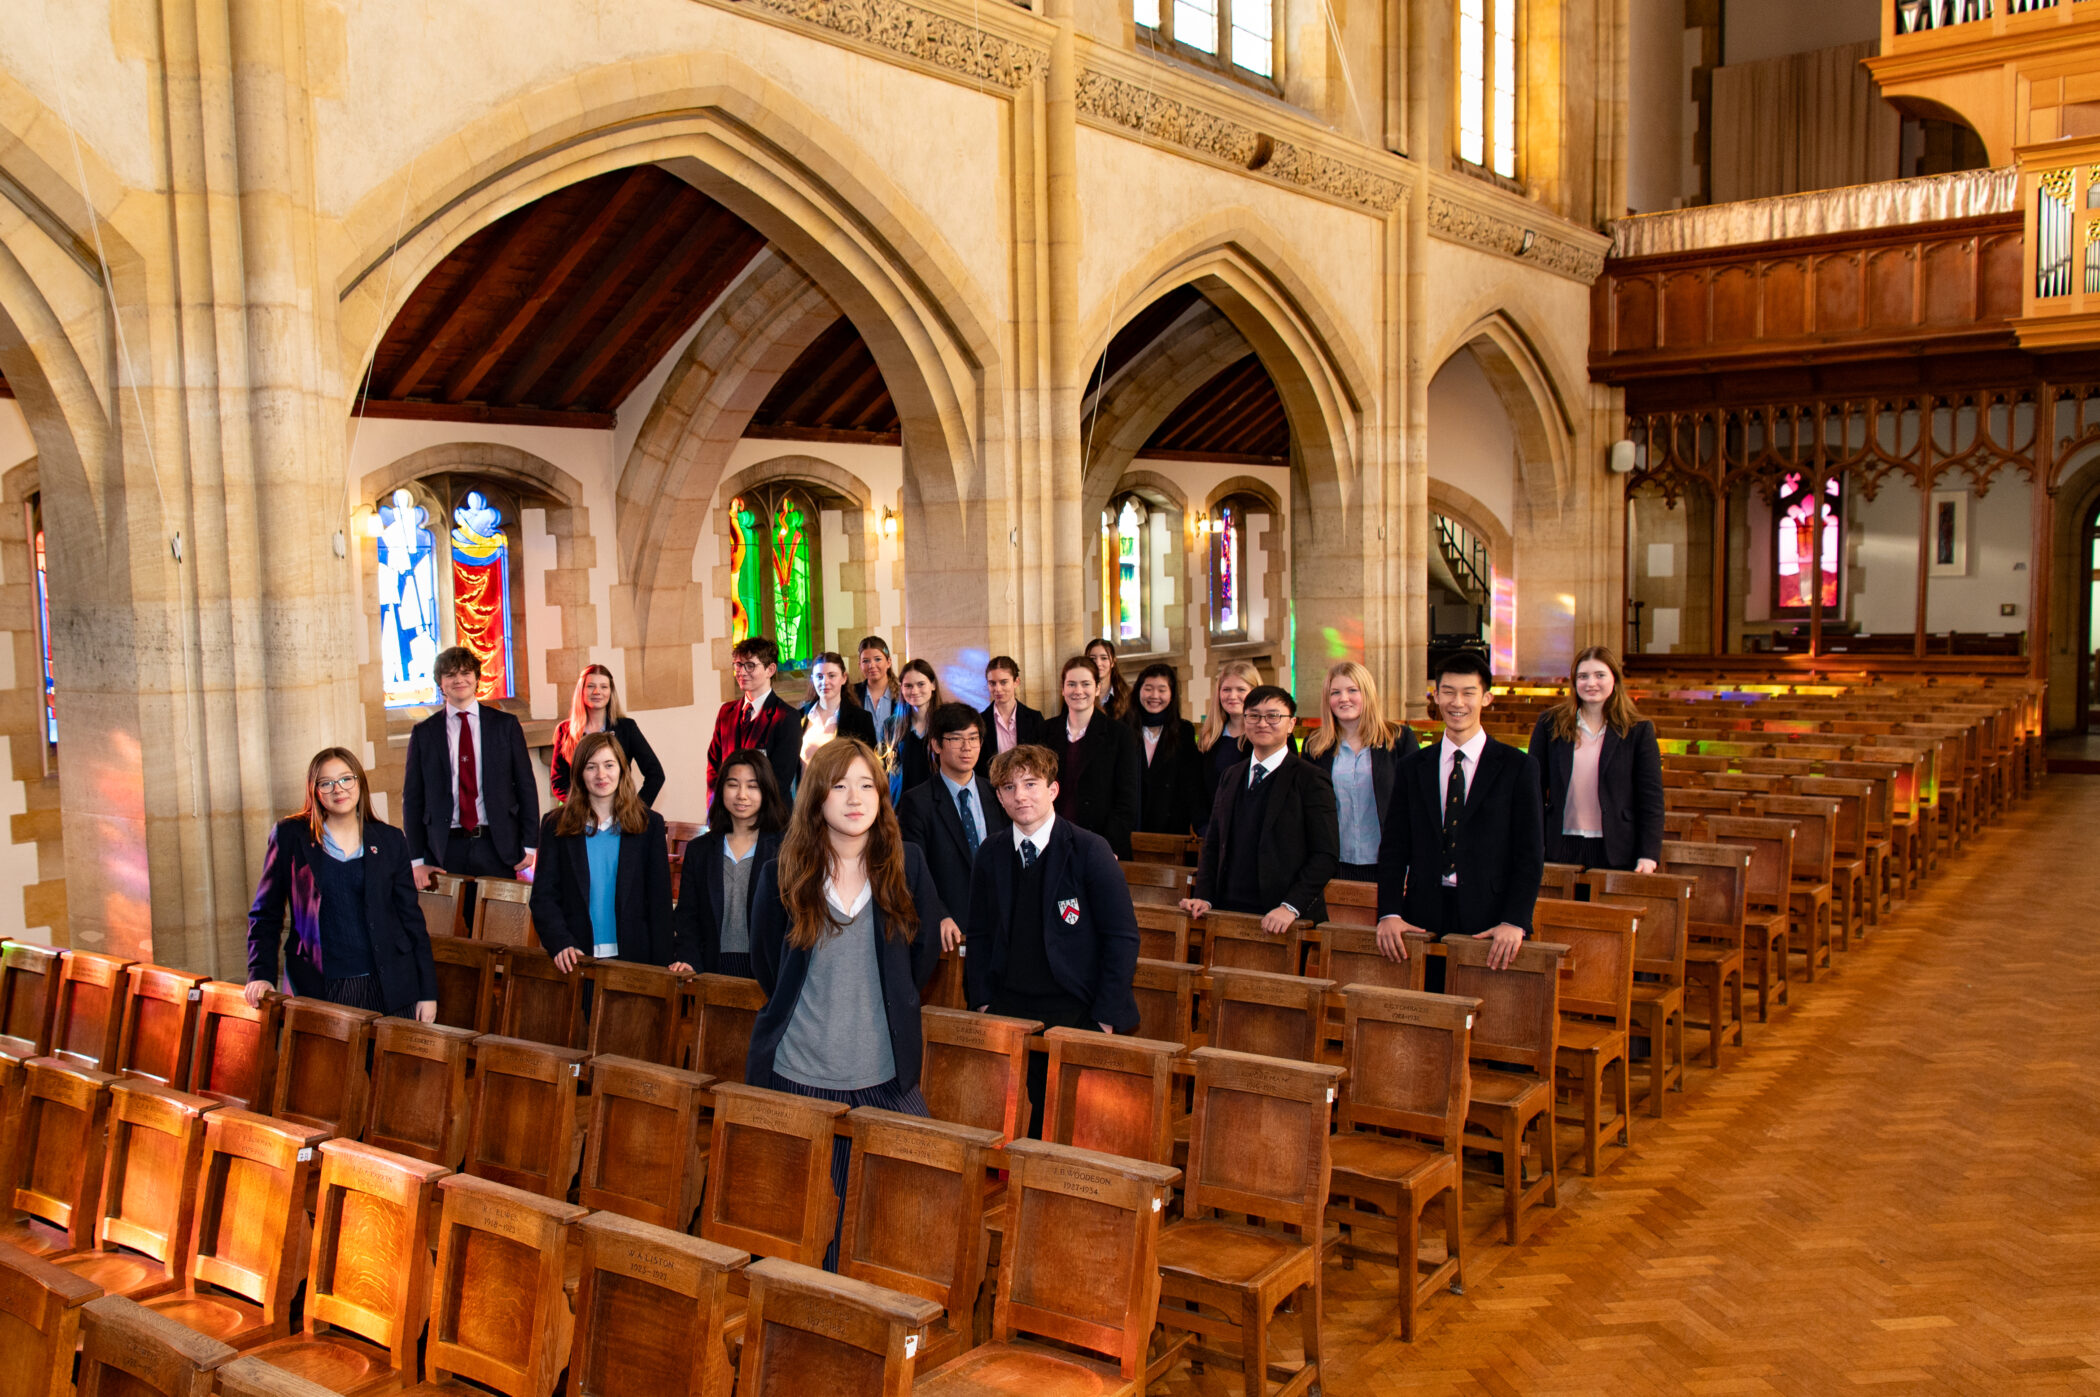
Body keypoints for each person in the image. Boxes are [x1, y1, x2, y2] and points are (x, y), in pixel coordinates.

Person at [746, 738, 947, 1263]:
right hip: (799, 1075)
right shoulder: (780, 871)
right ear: (816, 796)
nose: (855, 799)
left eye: (866, 786)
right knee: (806, 1232)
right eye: (839, 786)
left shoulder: (907, 865)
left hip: (882, 1075)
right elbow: (768, 964)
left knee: (893, 1225)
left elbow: (922, 956)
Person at [965, 744, 1142, 1137]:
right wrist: (983, 1001)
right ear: (999, 797)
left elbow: (1121, 937)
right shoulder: (990, 853)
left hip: (1075, 1008)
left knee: (1064, 1129)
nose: (1020, 795)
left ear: (1053, 790)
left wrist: (1104, 1019)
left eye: (1031, 784)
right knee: (998, 1123)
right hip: (1007, 1008)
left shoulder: (1090, 849)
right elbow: (978, 935)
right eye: (1009, 787)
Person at [1374, 651, 1544, 982]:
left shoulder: (1518, 766)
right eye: (1448, 692)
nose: (1458, 702)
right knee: (1423, 1005)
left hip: (1490, 918)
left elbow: (1530, 853)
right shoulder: (1412, 767)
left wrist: (1515, 920)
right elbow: (1394, 847)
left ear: (1486, 698)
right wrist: (1389, 912)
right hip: (1421, 916)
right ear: (1435, 696)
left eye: (1469, 693)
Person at [246, 747, 437, 1019]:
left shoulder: (390, 839)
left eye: (346, 779)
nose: (339, 789)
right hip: (321, 986)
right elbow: (265, 914)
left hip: (391, 985)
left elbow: (412, 921)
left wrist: (428, 992)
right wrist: (260, 973)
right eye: (327, 783)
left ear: (360, 782)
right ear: (314, 790)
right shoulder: (290, 836)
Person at [1181, 685, 1339, 929]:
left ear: (1291, 724)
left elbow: (1325, 854)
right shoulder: (1231, 775)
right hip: (1228, 911)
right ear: (1245, 721)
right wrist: (1205, 896)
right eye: (1254, 716)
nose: (1262, 723)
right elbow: (1213, 843)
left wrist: (1290, 907)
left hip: (1284, 917)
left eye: (1273, 716)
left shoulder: (1310, 779)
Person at [529, 731, 678, 972]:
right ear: (579, 773)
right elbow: (543, 897)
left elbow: (659, 902)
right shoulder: (555, 825)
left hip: (634, 957)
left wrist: (662, 968)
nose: (601, 775)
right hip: (576, 957)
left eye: (609, 765)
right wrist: (560, 942)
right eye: (591, 767)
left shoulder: (649, 825)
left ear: (622, 769)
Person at [403, 647, 538, 893]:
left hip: (496, 844)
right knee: (451, 917)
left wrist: (530, 844)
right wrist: (417, 860)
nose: (459, 680)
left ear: (476, 678)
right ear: (440, 683)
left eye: (465, 673)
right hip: (445, 847)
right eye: (450, 674)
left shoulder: (505, 726)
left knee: (499, 916)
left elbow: (526, 786)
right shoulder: (424, 733)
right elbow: (413, 799)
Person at [1527, 646, 1665, 873]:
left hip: (1616, 847)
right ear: (1574, 682)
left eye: (1600, 675)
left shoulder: (1638, 730)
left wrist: (1648, 854)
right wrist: (1529, 844)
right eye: (1583, 676)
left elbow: (1651, 799)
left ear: (1614, 679)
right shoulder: (1550, 723)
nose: (1591, 683)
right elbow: (1532, 790)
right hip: (1558, 845)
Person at [898, 703, 1009, 960]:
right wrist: (939, 914)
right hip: (951, 931)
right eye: (956, 739)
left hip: (1000, 924)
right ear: (936, 745)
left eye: (973, 738)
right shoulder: (917, 802)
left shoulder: (997, 794)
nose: (967, 747)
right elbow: (912, 872)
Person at [672, 748, 788, 977]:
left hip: (768, 976)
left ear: (766, 790)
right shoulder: (699, 850)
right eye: (733, 784)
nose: (742, 795)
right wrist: (688, 960)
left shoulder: (785, 850)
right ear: (721, 789)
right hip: (708, 971)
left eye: (753, 786)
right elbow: (687, 917)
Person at [1303, 660, 1420, 880]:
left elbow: (1416, 804)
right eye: (1335, 692)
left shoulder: (1399, 738)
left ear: (1367, 694)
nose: (1343, 698)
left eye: (1352, 690)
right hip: (1333, 864)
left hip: (1389, 862)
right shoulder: (1315, 746)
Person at [1044, 654, 1143, 859]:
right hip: (1054, 843)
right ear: (1062, 689)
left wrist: (1107, 847)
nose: (1078, 691)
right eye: (1071, 684)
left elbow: (1126, 800)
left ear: (1097, 688)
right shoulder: (1045, 731)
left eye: (1086, 684)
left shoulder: (1119, 735)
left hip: (1103, 845)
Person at [550, 663, 665, 806]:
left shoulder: (626, 727)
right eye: (590, 686)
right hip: (579, 811)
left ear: (611, 692)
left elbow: (655, 774)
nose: (597, 692)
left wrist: (637, 810)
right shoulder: (565, 730)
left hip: (618, 809)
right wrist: (581, 808)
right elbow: (558, 782)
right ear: (581, 691)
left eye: (604, 687)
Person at [706, 636, 804, 801]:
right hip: (728, 810)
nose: (742, 672)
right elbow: (714, 766)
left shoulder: (787, 717)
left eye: (750, 665)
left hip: (768, 811)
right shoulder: (726, 712)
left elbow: (780, 779)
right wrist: (717, 806)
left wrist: (745, 806)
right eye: (738, 664)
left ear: (770, 670)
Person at [1127, 662, 1203, 835]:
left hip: (1170, 828)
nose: (1154, 696)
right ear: (1138, 690)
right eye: (1148, 689)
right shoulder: (1123, 729)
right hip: (1132, 826)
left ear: (1172, 694)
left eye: (1162, 690)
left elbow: (1190, 784)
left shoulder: (1184, 731)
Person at [1194, 659, 1263, 832]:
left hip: (1256, 831)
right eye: (1226, 690)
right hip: (1214, 831)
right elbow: (1198, 790)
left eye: (1241, 689)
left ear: (1255, 692)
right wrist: (1205, 827)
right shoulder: (1209, 738)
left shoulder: (1269, 736)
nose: (1232, 696)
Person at [800, 650, 878, 770]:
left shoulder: (861, 719)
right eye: (819, 676)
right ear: (812, 679)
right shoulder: (799, 716)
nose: (824, 682)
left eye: (831, 676)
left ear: (844, 678)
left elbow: (869, 766)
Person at [975, 655, 1046, 778]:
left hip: (1026, 784)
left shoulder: (1035, 718)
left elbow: (1041, 761)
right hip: (991, 786)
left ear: (1016, 682)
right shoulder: (979, 721)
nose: (997, 689)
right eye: (992, 683)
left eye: (1003, 682)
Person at [893, 658, 944, 796]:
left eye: (921, 684)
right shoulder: (891, 726)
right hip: (903, 803)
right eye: (908, 686)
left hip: (939, 801)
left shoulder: (946, 722)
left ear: (933, 685)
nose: (914, 691)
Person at [850, 635, 906, 748]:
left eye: (877, 659)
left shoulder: (903, 693)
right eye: (866, 661)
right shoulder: (851, 693)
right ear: (860, 665)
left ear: (888, 662)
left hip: (895, 757)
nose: (871, 665)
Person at [1085, 637, 1133, 719]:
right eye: (1092, 659)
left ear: (1113, 662)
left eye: (1104, 658)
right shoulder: (1079, 694)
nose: (1098, 663)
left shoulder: (1127, 695)